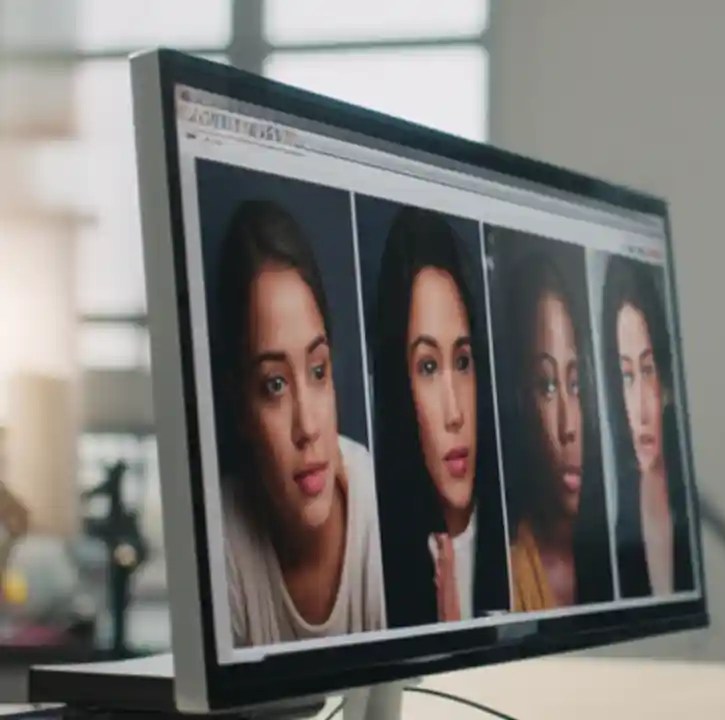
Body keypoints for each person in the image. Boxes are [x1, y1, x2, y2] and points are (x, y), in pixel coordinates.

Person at [212, 199, 385, 647]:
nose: (308, 426)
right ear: (240, 407)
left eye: (318, 370)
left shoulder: (380, 506)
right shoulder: (223, 537)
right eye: (274, 385)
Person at [371, 206, 509, 625]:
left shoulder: (515, 548)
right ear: (401, 386)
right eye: (428, 367)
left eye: (463, 362)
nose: (454, 413)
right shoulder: (379, 566)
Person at [503, 251, 615, 611]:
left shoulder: (617, 552)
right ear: (521, 400)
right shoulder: (510, 573)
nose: (570, 428)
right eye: (547, 387)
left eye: (576, 383)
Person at [600, 256, 694, 597]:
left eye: (648, 369)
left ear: (667, 379)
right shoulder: (620, 507)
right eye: (627, 376)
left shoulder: (694, 494)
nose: (639, 409)